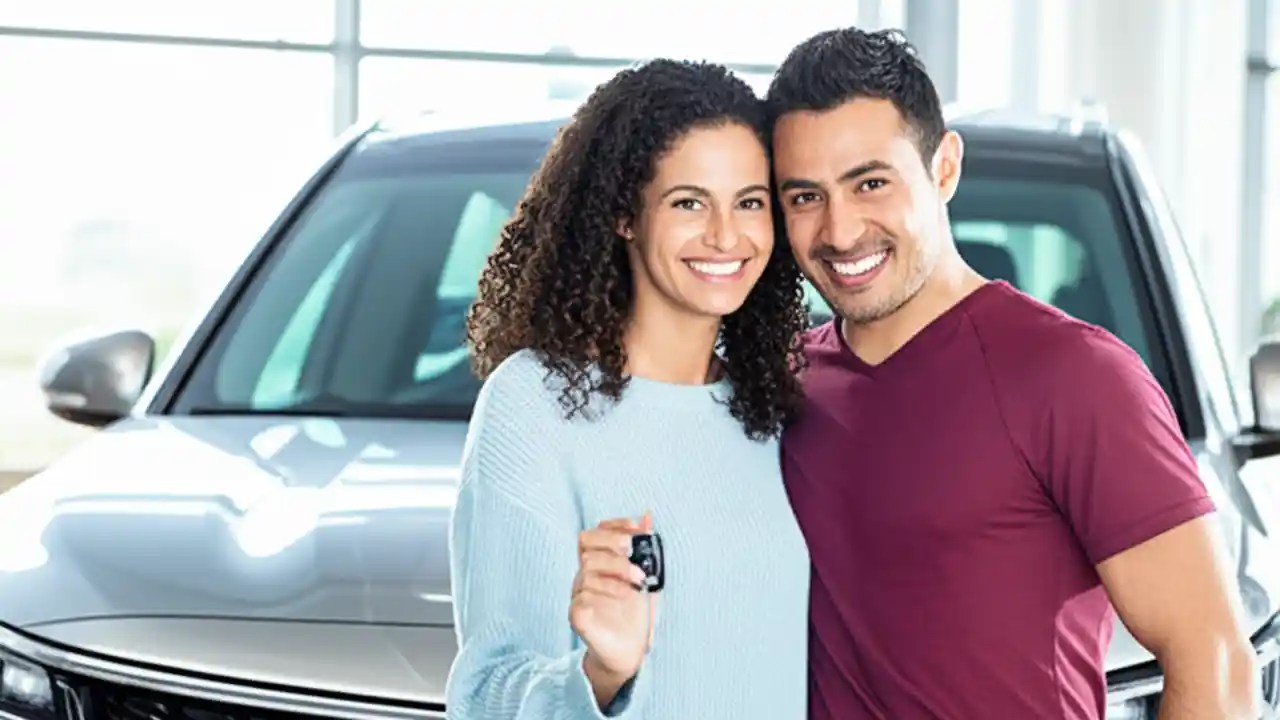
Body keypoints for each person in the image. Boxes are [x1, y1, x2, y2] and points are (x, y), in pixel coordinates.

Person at [766, 27, 1260, 720]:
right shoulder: (783, 385)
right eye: (805, 197)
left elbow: (1216, 663)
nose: (840, 231)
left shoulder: (1076, 378)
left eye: (871, 183)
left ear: (943, 169)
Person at [445, 59, 811, 719]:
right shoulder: (534, 405)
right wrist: (602, 672)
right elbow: (484, 699)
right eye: (689, 202)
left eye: (749, 202)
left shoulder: (774, 411)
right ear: (624, 215)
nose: (727, 236)